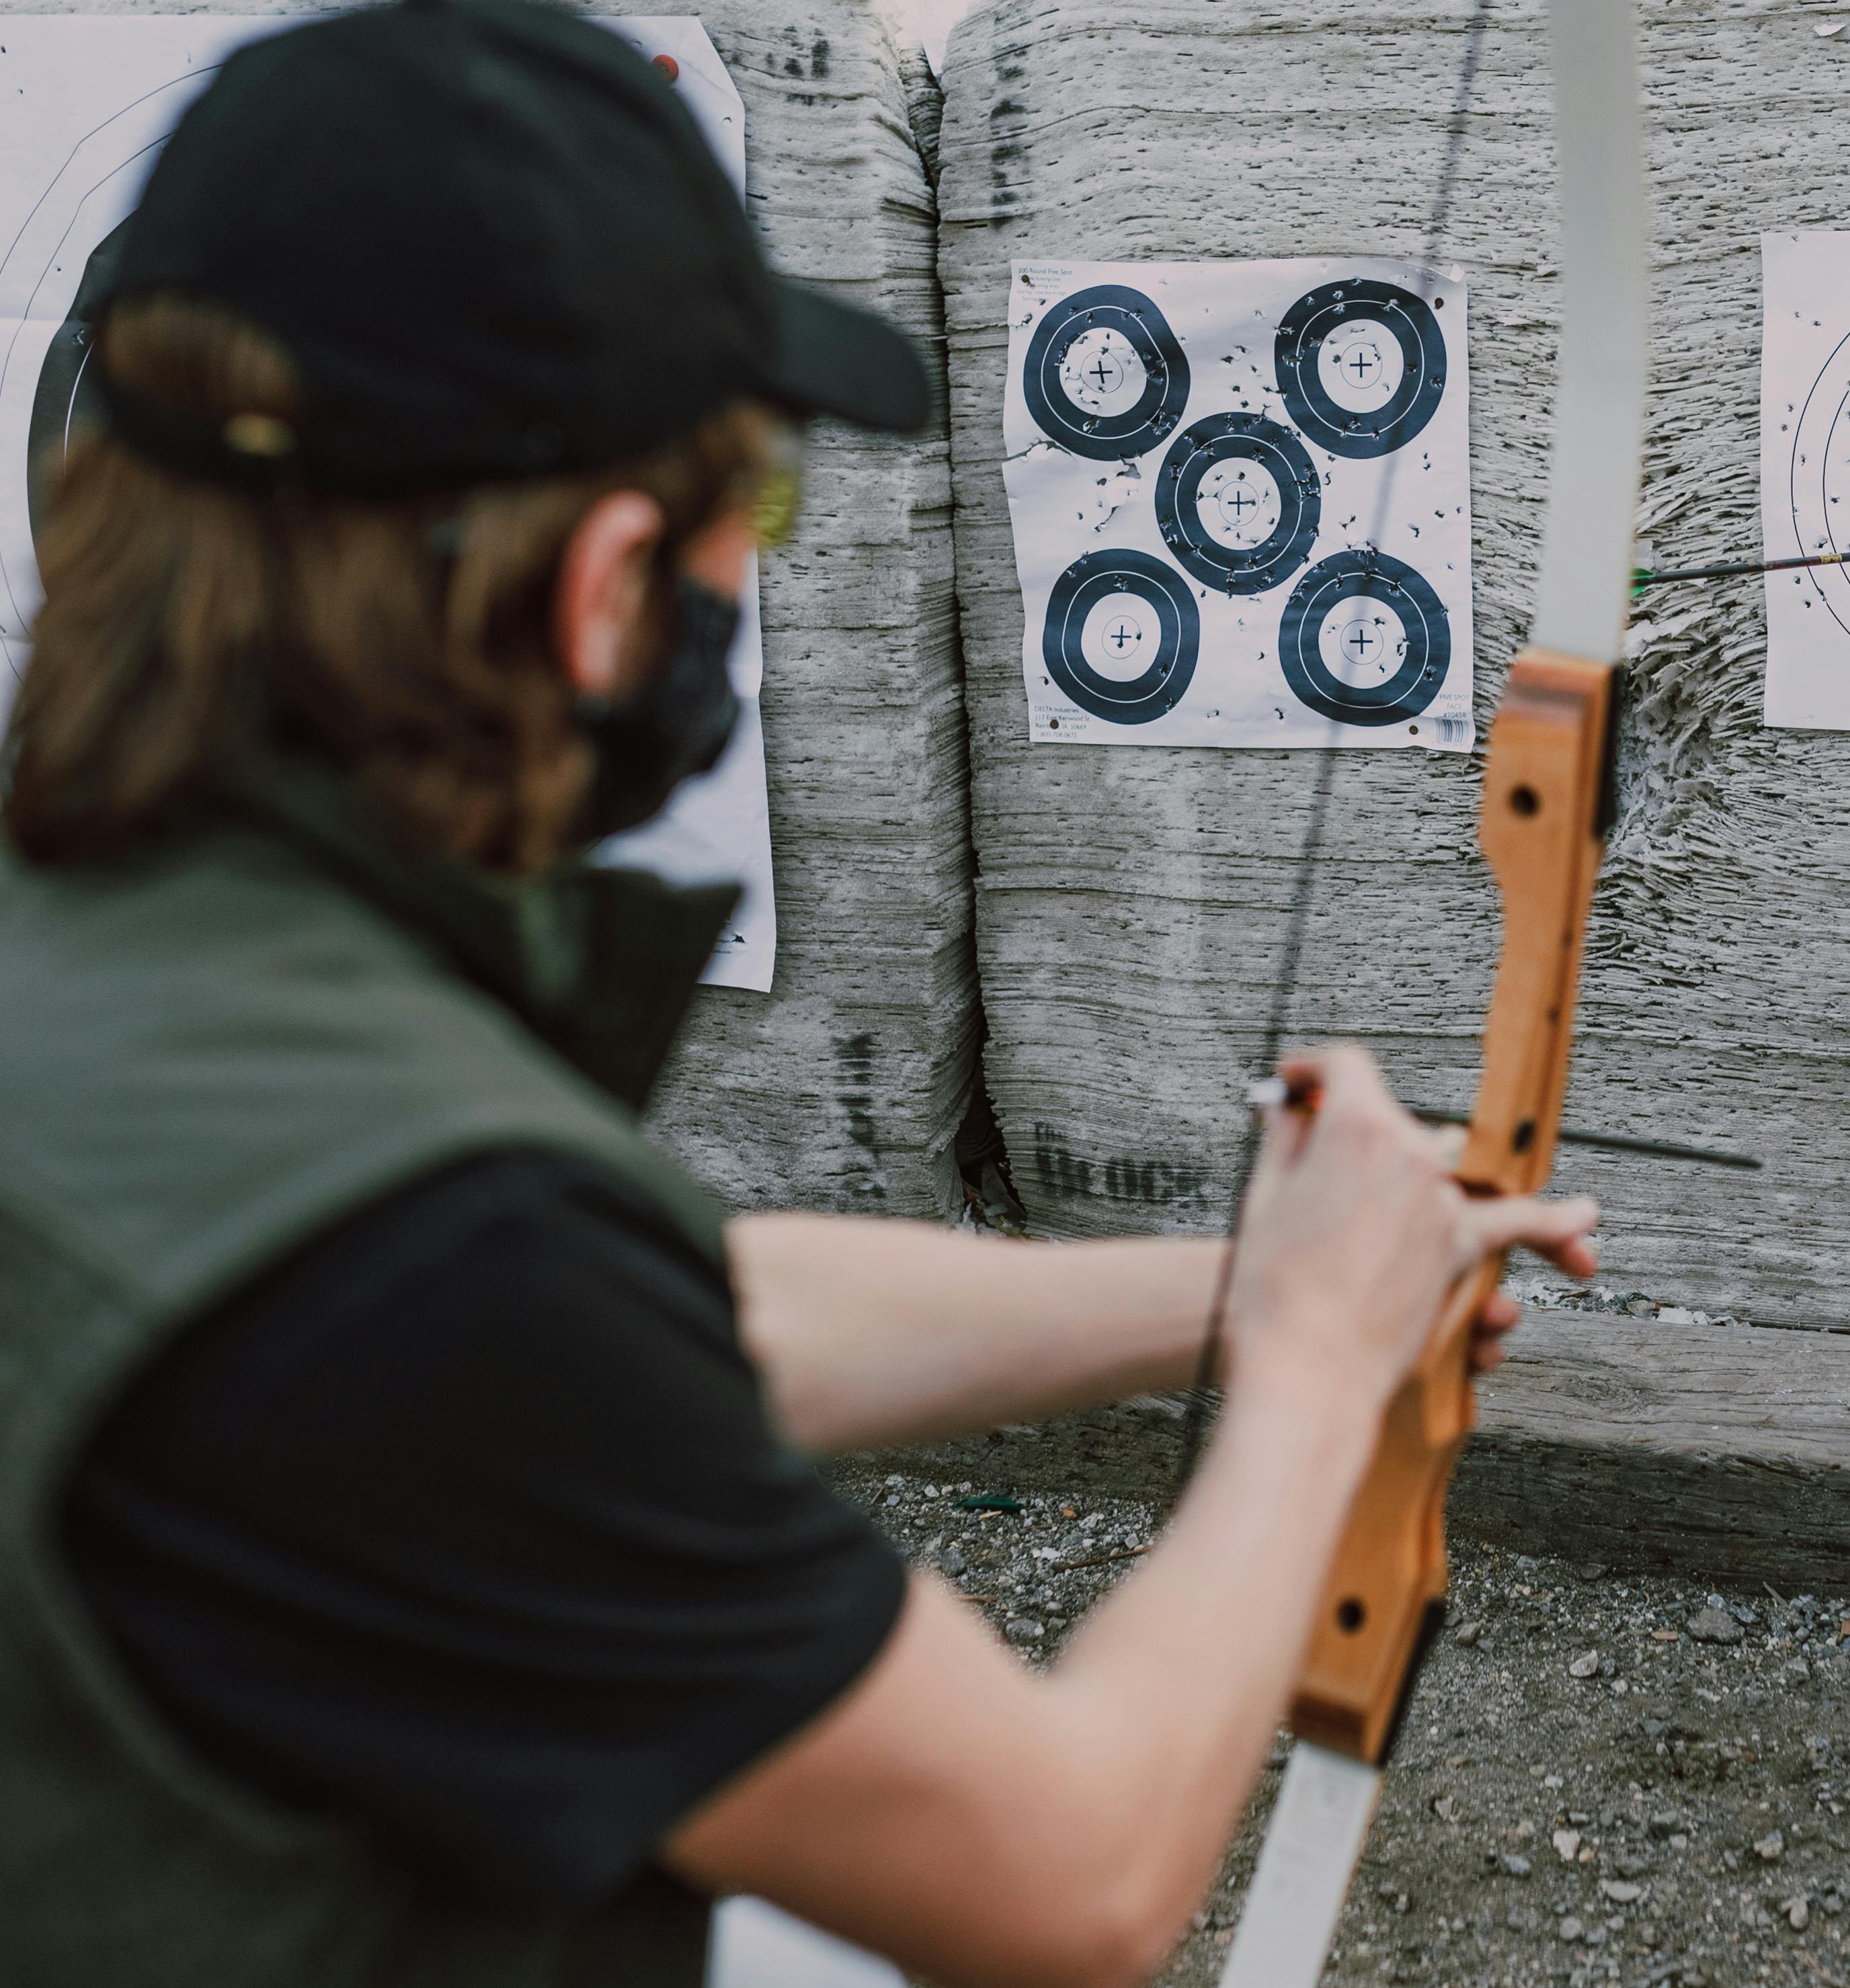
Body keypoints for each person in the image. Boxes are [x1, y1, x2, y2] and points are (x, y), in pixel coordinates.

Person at [0, 5, 1599, 1985]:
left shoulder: (115, 942)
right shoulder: (428, 1260)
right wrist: (1308, 1384)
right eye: (743, 513)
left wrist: (1249, 1284)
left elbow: (651, 1323)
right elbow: (1069, 1873)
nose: (746, 567)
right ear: (598, 590)